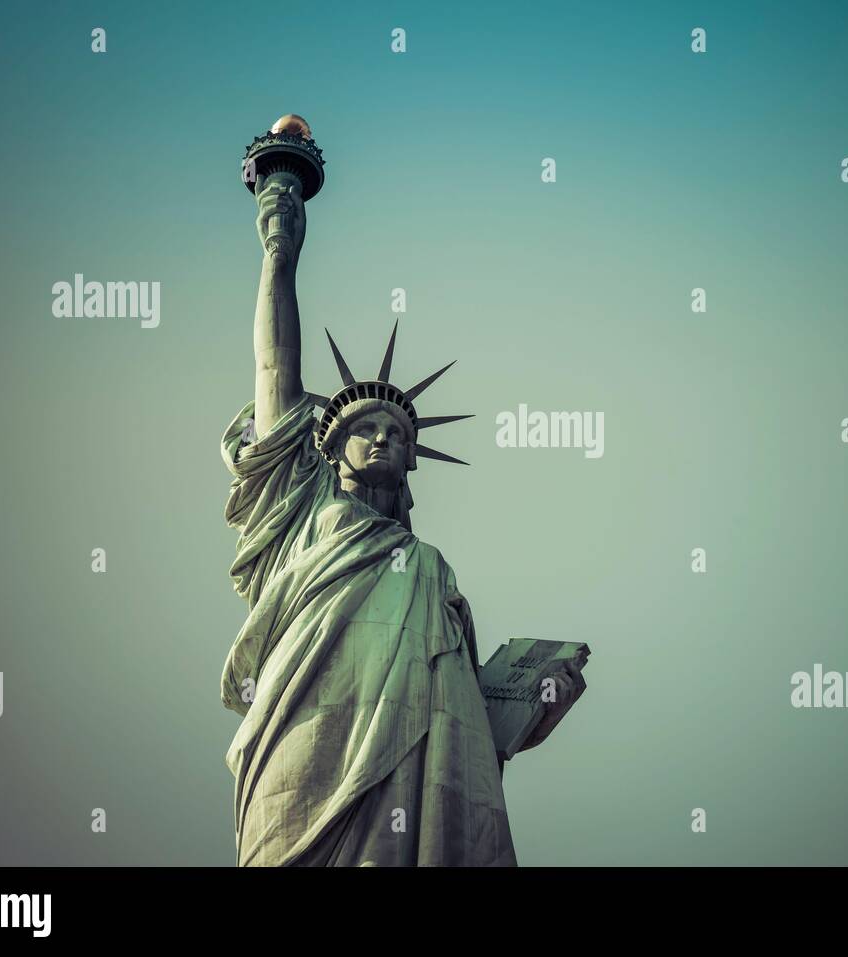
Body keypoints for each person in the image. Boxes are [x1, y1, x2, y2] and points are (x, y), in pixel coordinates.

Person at [218, 171, 581, 866]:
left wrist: (530, 701)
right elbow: (274, 367)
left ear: (413, 460)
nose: (383, 437)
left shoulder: (432, 570)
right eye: (365, 427)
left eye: (396, 432)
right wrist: (278, 244)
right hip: (309, 741)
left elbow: (463, 712)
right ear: (326, 448)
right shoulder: (300, 514)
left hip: (428, 780)